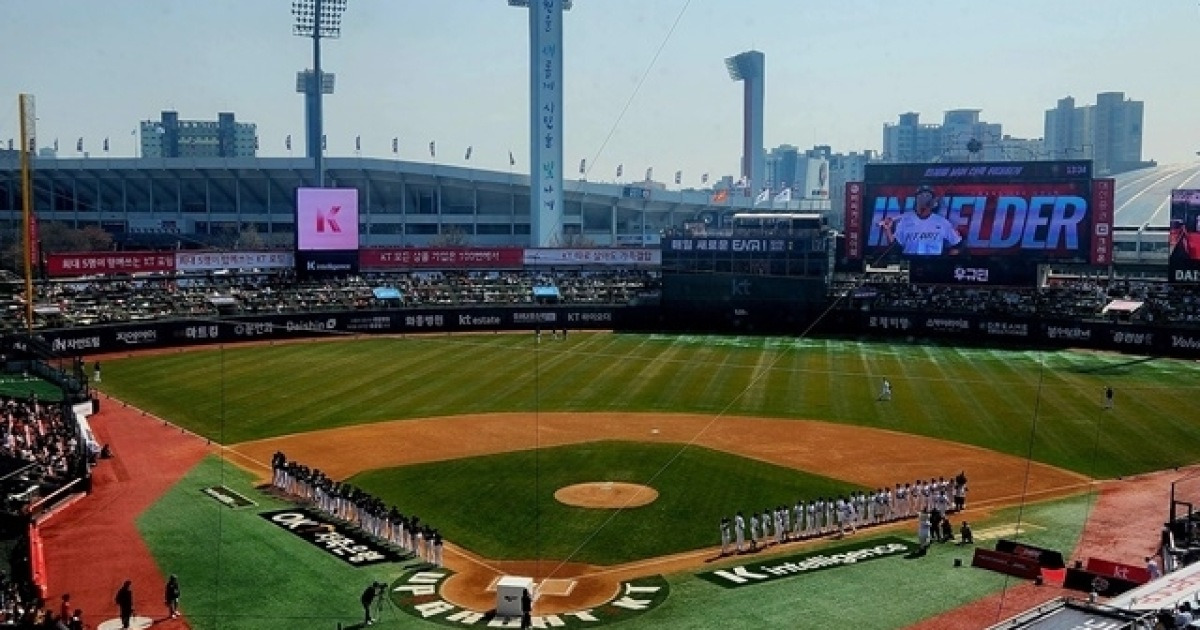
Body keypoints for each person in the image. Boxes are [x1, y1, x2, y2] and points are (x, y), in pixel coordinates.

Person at [878, 185, 964, 256]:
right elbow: (894, 247)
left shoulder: (942, 222)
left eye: (927, 196)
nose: (924, 199)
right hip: (911, 263)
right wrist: (887, 230)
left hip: (933, 266)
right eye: (921, 196)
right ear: (916, 199)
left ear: (933, 201)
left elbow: (958, 244)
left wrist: (944, 261)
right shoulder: (904, 220)